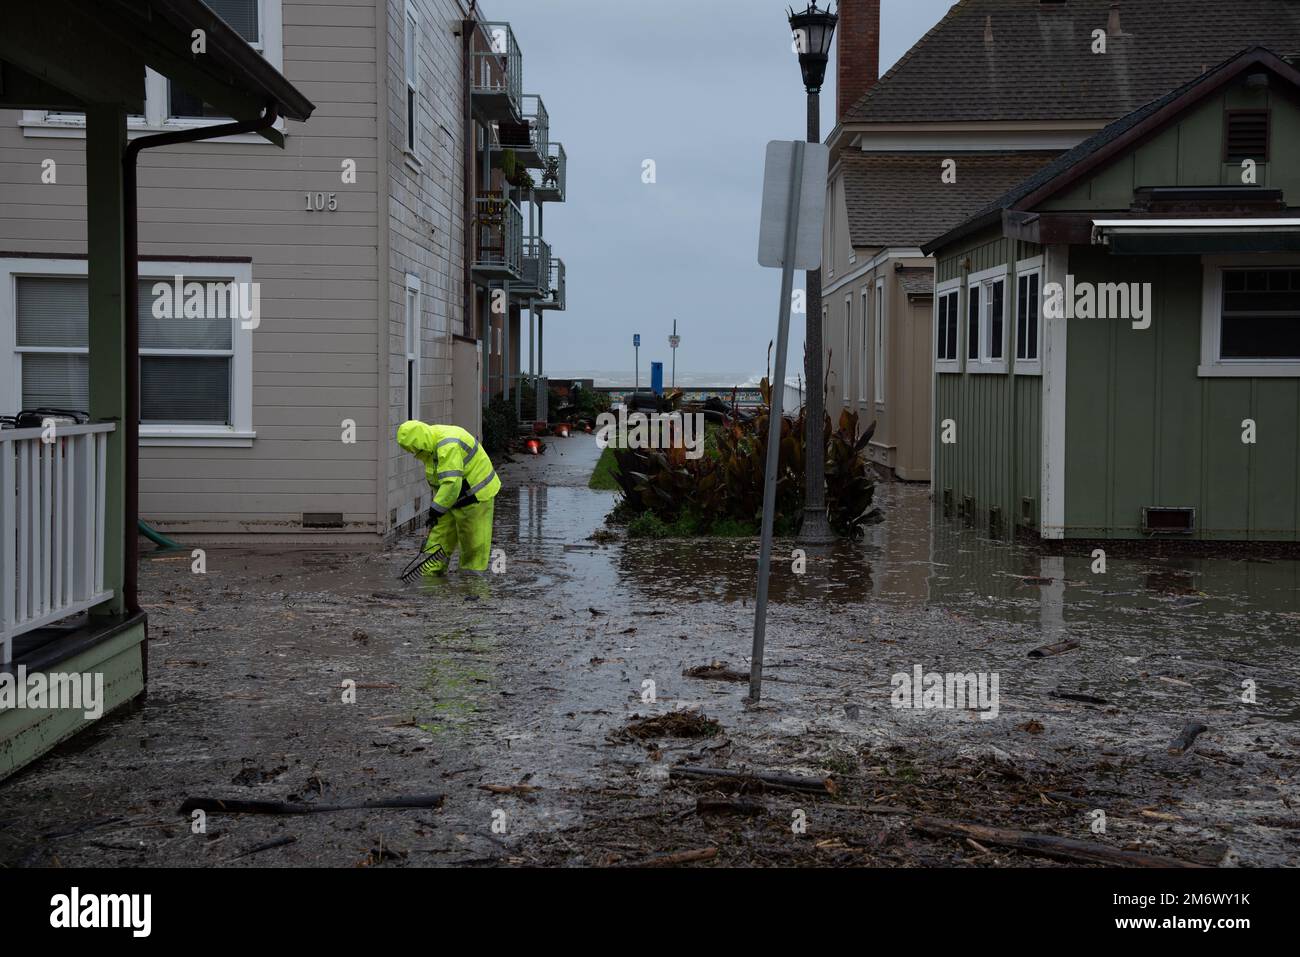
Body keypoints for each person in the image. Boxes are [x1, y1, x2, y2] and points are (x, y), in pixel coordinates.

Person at [396, 421, 501, 575]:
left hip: (476, 494)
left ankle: (472, 583)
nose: (414, 453)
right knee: (439, 535)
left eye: (415, 449)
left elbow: (452, 483)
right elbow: (442, 482)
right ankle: (431, 574)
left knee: (473, 540)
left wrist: (436, 509)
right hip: (450, 497)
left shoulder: (447, 445)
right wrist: (437, 508)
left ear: (421, 442)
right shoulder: (430, 446)